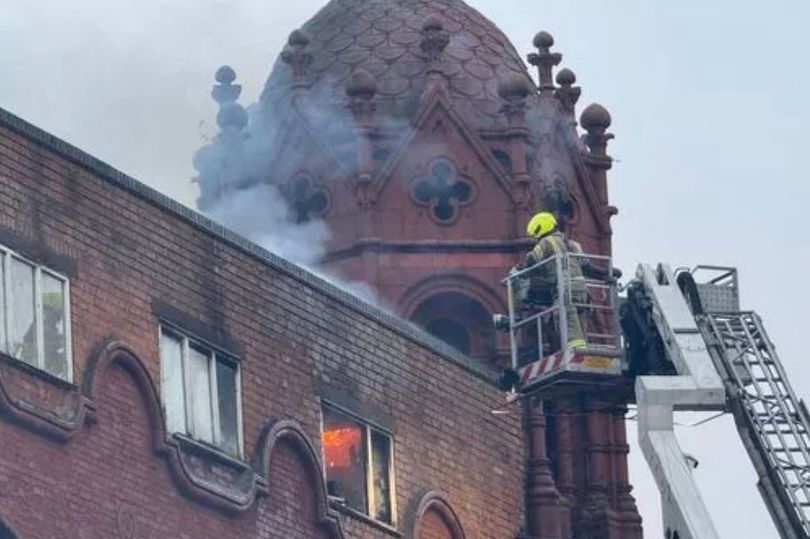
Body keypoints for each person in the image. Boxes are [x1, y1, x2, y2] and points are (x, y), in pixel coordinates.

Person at [520, 211, 588, 349]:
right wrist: (607, 274)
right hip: (582, 289)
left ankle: (575, 350)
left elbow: (533, 259)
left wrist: (523, 267)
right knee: (579, 321)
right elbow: (586, 265)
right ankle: (584, 348)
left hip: (566, 288)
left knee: (563, 316)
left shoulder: (546, 241)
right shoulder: (572, 244)